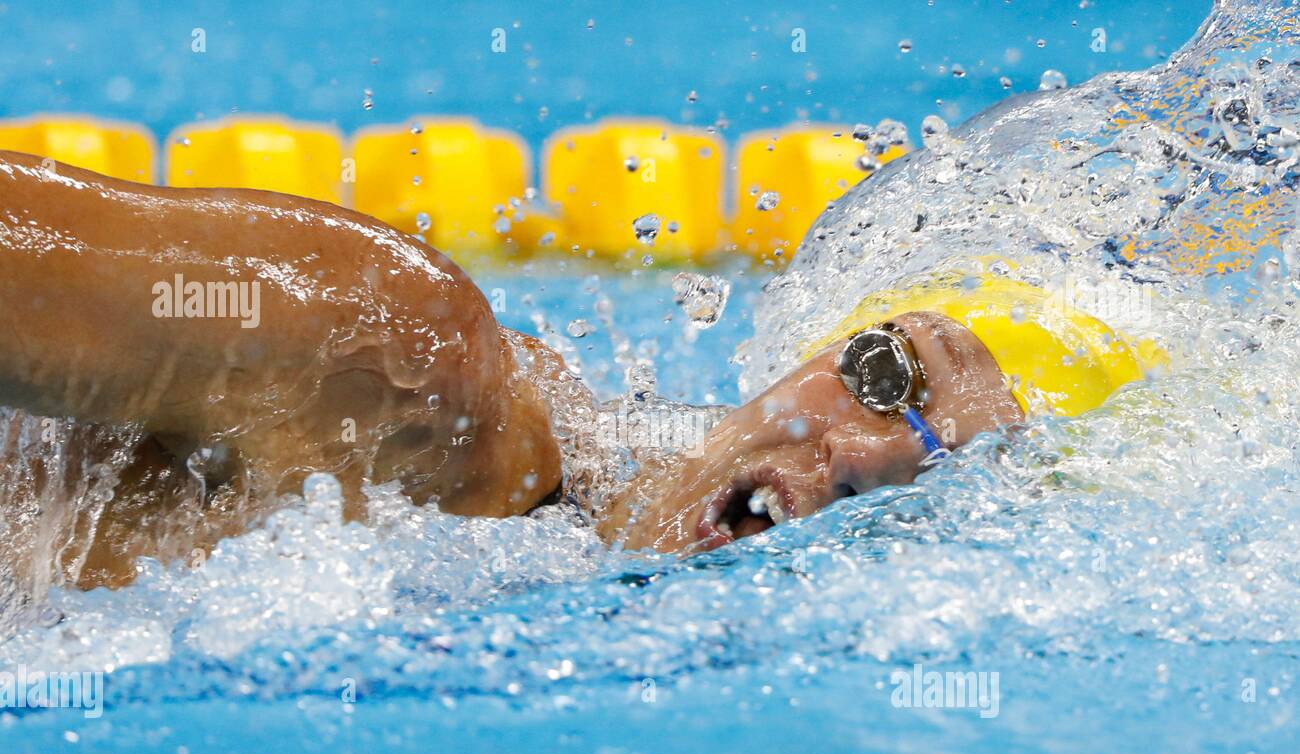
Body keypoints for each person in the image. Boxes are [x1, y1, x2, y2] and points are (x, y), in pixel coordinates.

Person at [0, 151, 1159, 588]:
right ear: (810, 345)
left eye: (937, 471)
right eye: (885, 373)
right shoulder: (400, 366)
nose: (849, 456)